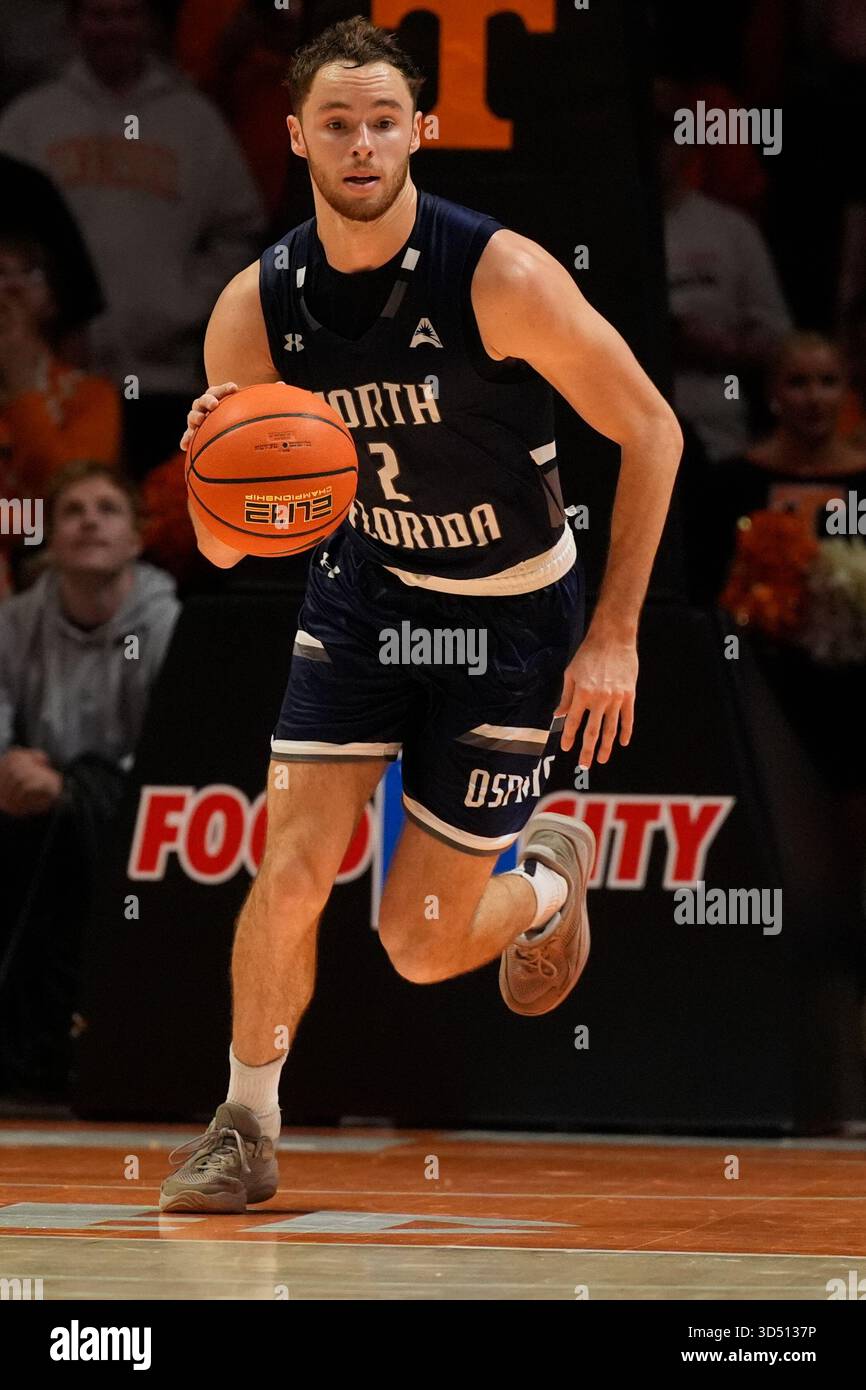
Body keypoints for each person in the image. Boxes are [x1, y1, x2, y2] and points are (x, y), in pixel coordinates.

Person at [159, 16, 682, 1213]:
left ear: (419, 132)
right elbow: (229, 540)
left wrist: (612, 634)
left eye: (382, 120)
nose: (360, 142)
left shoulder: (497, 274)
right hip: (364, 596)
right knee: (289, 861)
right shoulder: (256, 308)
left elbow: (650, 429)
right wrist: (210, 475)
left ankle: (548, 876)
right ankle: (244, 1122)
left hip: (509, 617)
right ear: (294, 136)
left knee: (420, 941)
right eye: (335, 123)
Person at [0, 0, 265, 475]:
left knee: (150, 531)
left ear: (150, 24)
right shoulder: (28, 120)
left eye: (127, 14)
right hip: (52, 381)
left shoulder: (195, 121)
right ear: (74, 23)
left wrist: (181, 303)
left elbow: (241, 232)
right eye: (99, 14)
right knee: (57, 515)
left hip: (164, 379)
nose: (114, 28)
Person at [0, 461, 179, 1094]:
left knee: (88, 793)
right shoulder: (15, 622)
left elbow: (177, 752)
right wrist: (6, 762)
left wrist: (76, 788)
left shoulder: (168, 622)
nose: (89, 521)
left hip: (132, 816)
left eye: (107, 508)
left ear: (136, 536)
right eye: (72, 510)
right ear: (51, 537)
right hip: (27, 806)